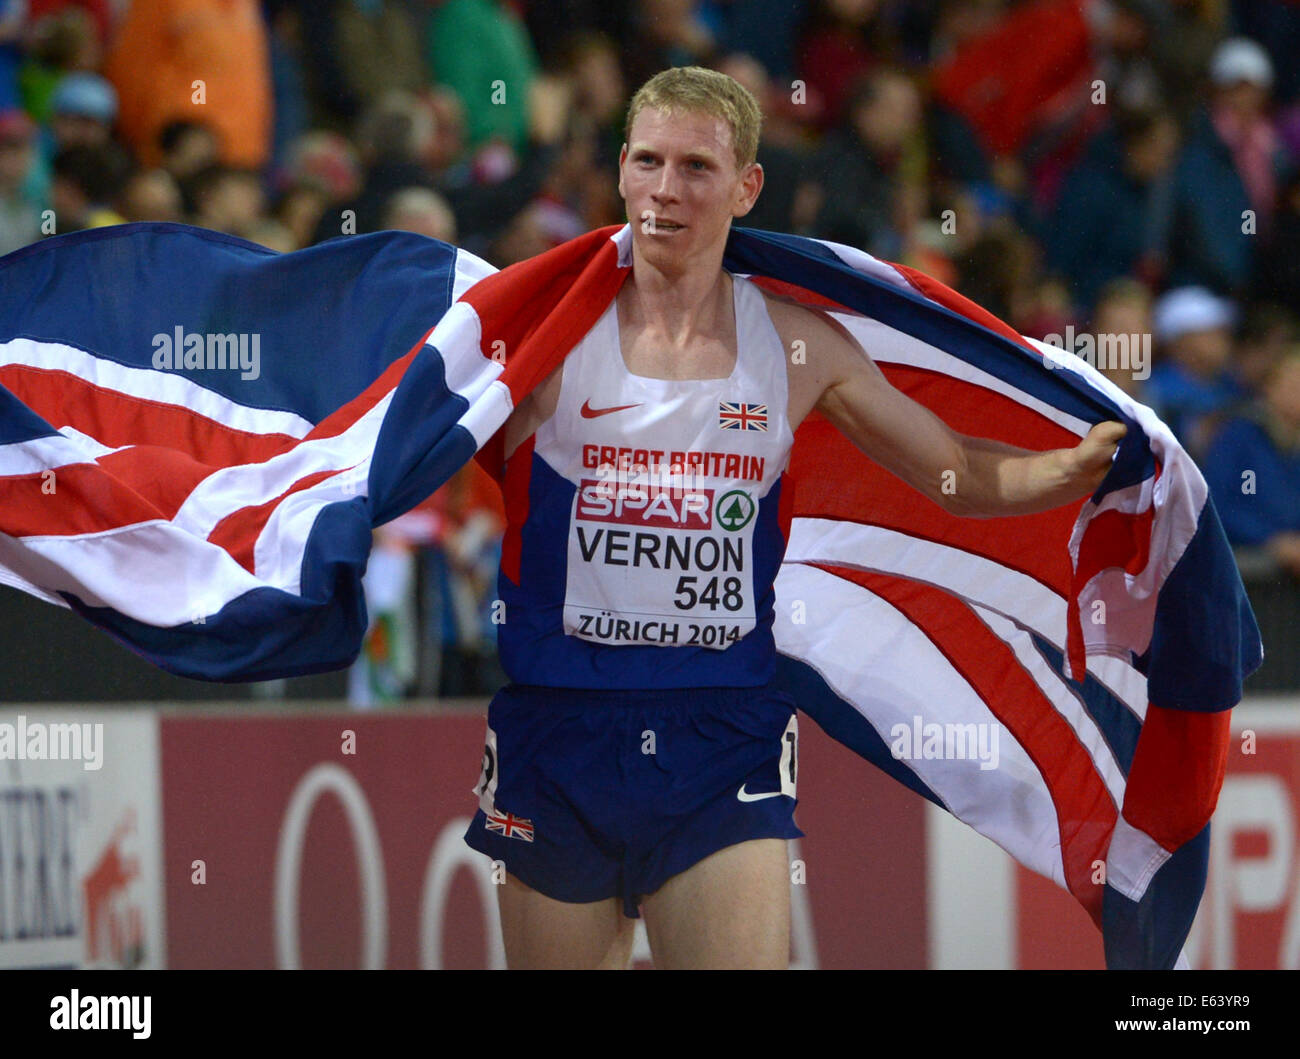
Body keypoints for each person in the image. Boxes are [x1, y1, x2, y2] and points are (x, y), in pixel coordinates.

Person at [463, 65, 1125, 970]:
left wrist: (1074, 467)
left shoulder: (796, 344)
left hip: (721, 733)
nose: (665, 189)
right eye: (647, 161)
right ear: (618, 169)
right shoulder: (544, 337)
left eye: (696, 168)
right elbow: (397, 427)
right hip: (558, 731)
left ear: (747, 186)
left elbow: (957, 471)